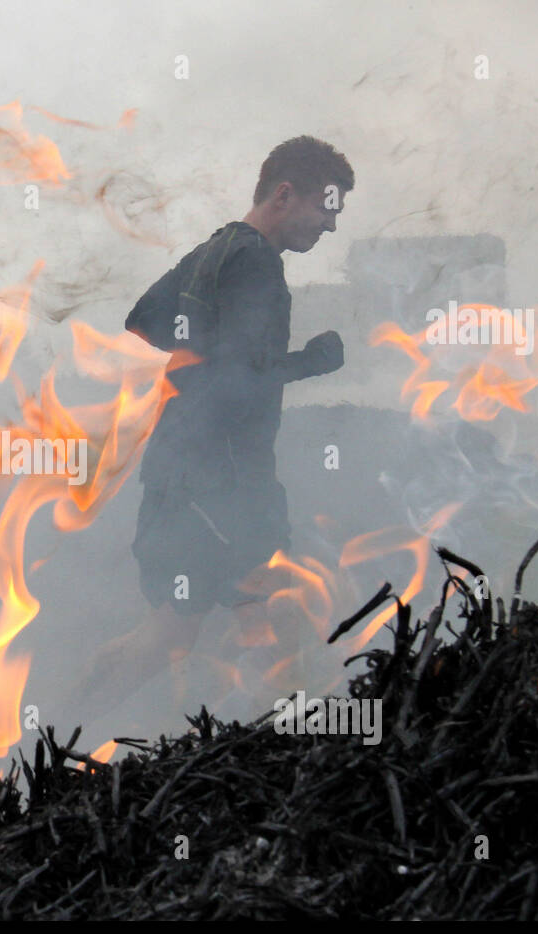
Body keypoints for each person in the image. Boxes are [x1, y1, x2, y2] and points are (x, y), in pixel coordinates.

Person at [86, 136, 354, 711]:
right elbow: (240, 382)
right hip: (222, 479)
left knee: (175, 631)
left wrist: (203, 348)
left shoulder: (216, 249)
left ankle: (67, 720)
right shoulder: (256, 262)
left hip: (183, 471)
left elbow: (145, 320)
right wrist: (313, 362)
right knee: (273, 613)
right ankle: (295, 740)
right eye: (325, 207)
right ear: (285, 194)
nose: (330, 225)